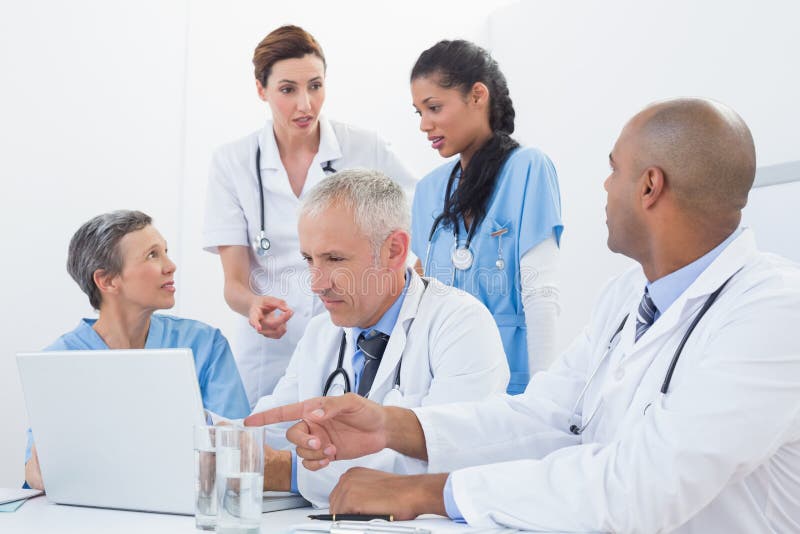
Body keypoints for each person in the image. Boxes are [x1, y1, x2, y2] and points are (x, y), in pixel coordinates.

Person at [248, 98, 800, 532]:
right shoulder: (626, 297)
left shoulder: (773, 311)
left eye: (613, 170)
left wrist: (427, 491)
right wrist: (393, 427)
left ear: (650, 186)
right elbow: (543, 418)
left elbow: (640, 488)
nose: (605, 186)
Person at [250, 169, 509, 507]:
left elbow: (448, 456)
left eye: (334, 259)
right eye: (309, 260)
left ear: (394, 251)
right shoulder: (321, 331)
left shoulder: (460, 324)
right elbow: (272, 424)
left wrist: (289, 473)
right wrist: (211, 432)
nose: (316, 284)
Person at [203, 25, 416, 405]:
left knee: (352, 431)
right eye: (288, 90)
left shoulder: (364, 147)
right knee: (264, 432)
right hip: (270, 349)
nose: (305, 104)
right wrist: (253, 305)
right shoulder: (233, 162)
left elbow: (422, 224)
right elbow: (233, 282)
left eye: (315, 86)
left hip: (350, 335)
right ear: (261, 89)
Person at [25, 210, 249, 490]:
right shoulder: (57, 361)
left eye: (165, 252)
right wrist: (42, 471)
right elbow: (37, 472)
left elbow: (238, 449)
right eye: (152, 255)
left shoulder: (205, 345)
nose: (171, 266)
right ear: (107, 281)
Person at [409, 40, 563, 393]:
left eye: (434, 107)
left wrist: (544, 396)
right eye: (419, 113)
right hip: (442, 378)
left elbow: (541, 292)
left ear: (477, 95)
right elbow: (421, 297)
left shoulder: (528, 168)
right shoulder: (429, 190)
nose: (424, 125)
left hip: (511, 380)